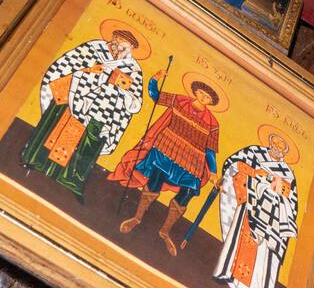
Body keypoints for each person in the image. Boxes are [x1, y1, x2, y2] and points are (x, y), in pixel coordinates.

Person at [21, 27, 144, 200]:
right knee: (59, 130)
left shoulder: (133, 70)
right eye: (115, 45)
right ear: (112, 40)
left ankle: (69, 181)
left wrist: (122, 89)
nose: (116, 51)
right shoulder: (93, 49)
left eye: (123, 49)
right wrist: (96, 73)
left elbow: (135, 104)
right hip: (74, 100)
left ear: (130, 49)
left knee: (86, 144)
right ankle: (39, 163)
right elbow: (66, 67)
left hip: (103, 114)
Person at [109, 72, 221, 256]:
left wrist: (214, 174)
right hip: (167, 148)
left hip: (192, 160)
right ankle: (137, 218)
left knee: (188, 192)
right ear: (195, 91)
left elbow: (210, 150)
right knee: (155, 180)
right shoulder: (179, 100)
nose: (203, 97)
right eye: (201, 93)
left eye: (207, 97)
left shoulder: (213, 123)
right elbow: (156, 96)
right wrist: (154, 79)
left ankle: (165, 231)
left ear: (211, 102)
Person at [212, 133, 300, 288]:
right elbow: (232, 165)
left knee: (265, 257)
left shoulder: (288, 173)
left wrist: (278, 195)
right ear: (269, 141)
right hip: (250, 209)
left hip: (273, 222)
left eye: (281, 145)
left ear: (285, 151)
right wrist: (255, 175)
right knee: (242, 243)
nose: (277, 146)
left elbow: (291, 202)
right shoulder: (254, 152)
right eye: (275, 141)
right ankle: (231, 276)